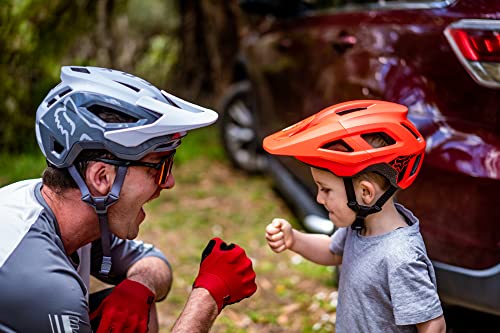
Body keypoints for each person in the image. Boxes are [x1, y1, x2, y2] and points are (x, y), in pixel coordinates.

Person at [0, 66, 257, 333]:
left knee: (134, 309)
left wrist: (139, 287)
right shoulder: (46, 286)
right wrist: (207, 297)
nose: (169, 182)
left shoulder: (67, 211)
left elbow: (153, 262)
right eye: (159, 166)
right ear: (101, 177)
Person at [264, 100, 446, 333]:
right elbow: (332, 250)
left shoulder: (400, 256)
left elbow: (434, 325)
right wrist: (294, 239)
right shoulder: (360, 226)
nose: (319, 198)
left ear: (365, 193)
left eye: (326, 189)